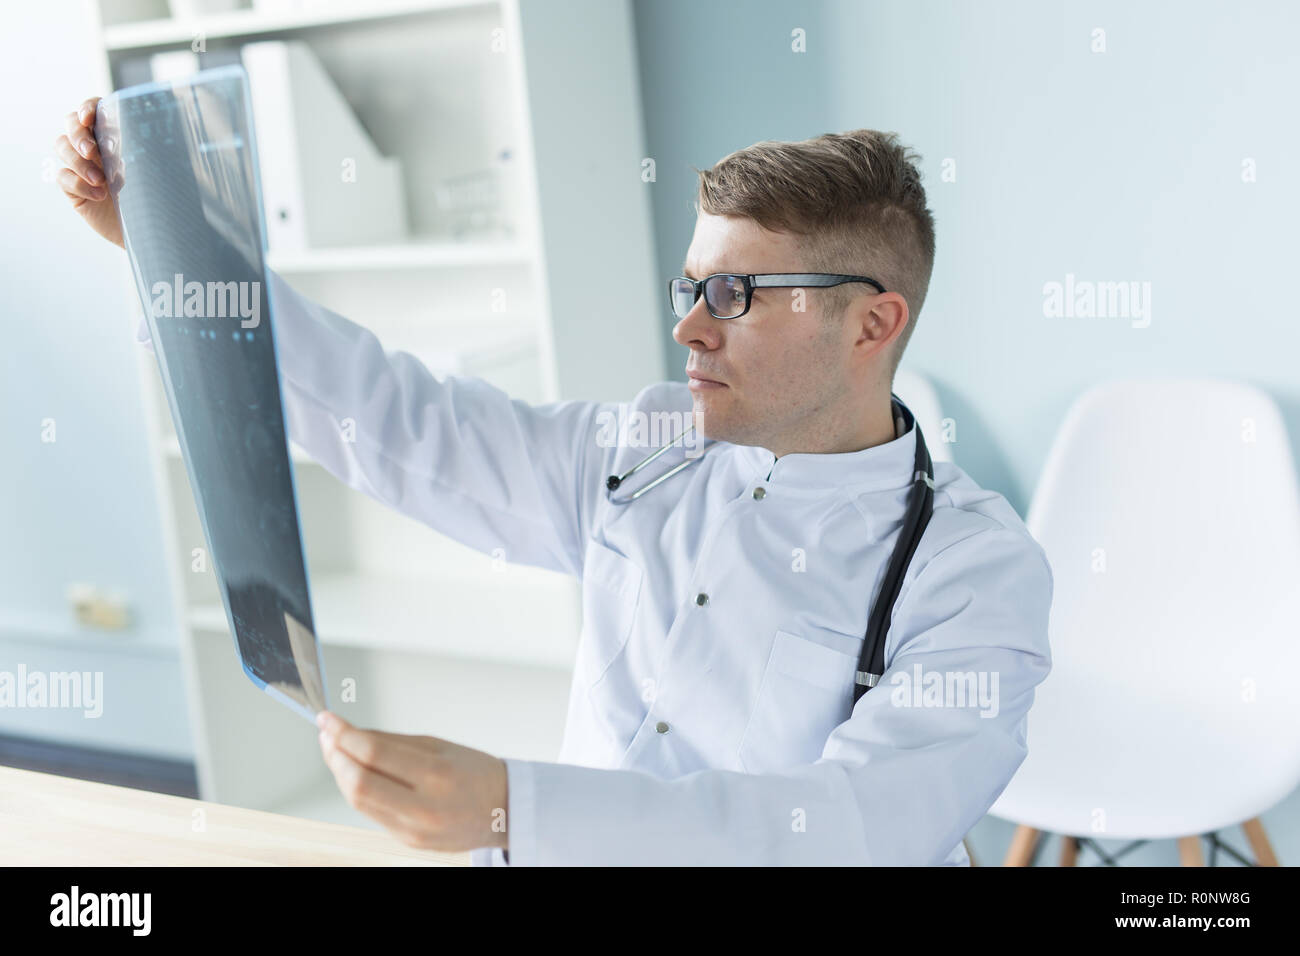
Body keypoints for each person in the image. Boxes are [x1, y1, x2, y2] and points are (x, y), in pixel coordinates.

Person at [56, 97, 1052, 865]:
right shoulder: (647, 445)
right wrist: (165, 243)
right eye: (690, 285)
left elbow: (846, 828)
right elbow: (395, 421)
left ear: (872, 325)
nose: (689, 327)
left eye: (735, 294)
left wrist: (514, 807)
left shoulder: (972, 570)